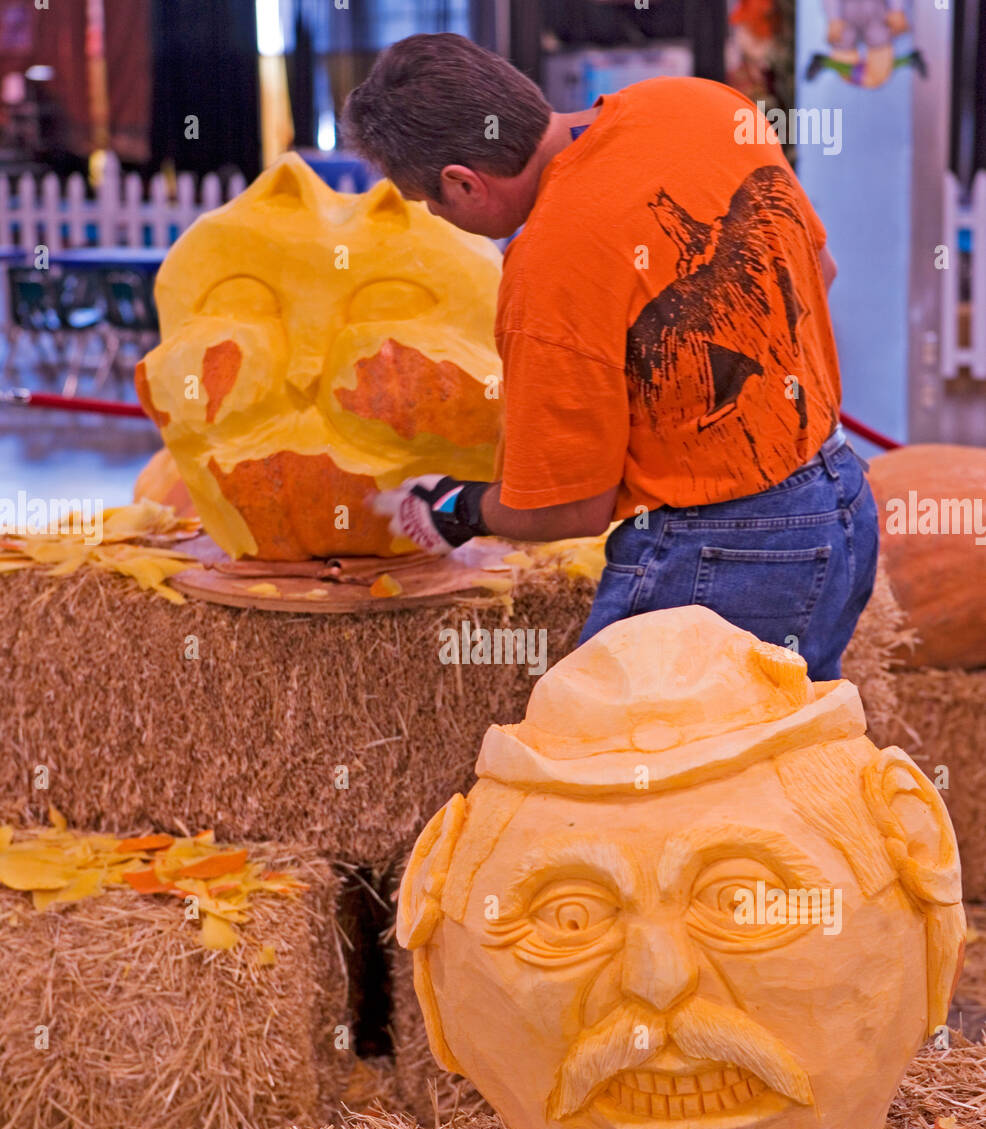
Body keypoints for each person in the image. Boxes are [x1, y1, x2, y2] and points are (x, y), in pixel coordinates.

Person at [343, 33, 879, 679]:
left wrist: (455, 507)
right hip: (842, 497)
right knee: (775, 755)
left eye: (429, 199)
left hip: (726, 549)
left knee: (612, 763)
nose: (434, 212)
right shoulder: (700, 104)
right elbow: (818, 271)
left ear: (463, 182)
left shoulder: (545, 271)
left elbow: (568, 509)